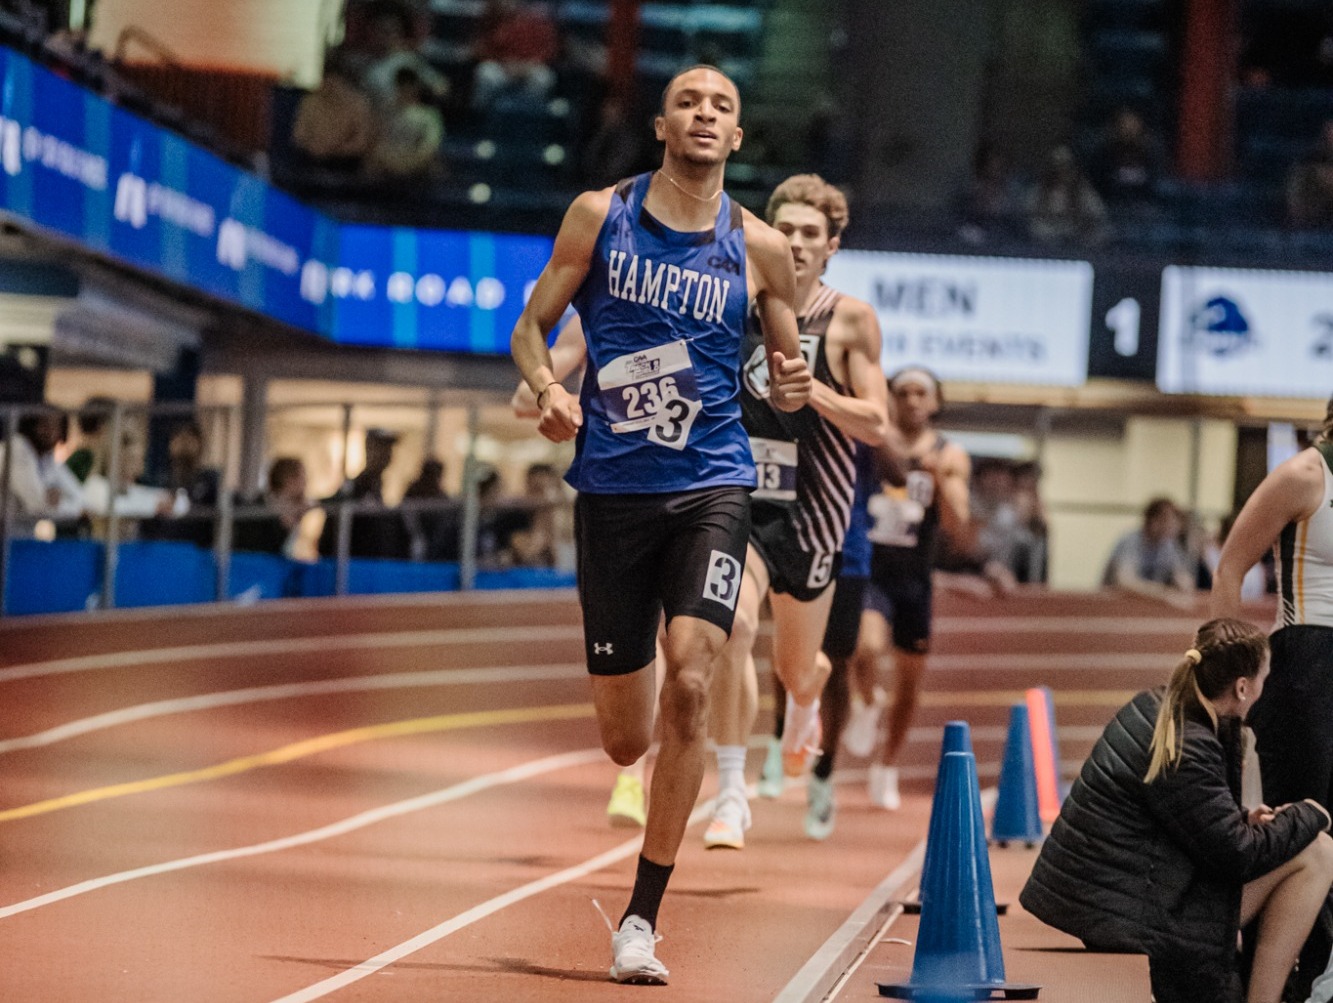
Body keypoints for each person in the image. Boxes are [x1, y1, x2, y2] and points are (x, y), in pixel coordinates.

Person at [509, 64, 812, 985]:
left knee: (690, 678)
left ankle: (640, 918)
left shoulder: (760, 247)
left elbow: (785, 381)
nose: (704, 114)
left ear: (738, 135)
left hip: (711, 485)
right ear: (661, 124)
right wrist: (549, 388)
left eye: (722, 105)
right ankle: (639, 742)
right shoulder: (600, 216)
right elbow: (529, 327)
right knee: (623, 738)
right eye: (689, 102)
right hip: (612, 492)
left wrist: (792, 384)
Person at [702, 172, 889, 851]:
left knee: (796, 668)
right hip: (741, 500)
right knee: (730, 627)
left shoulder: (850, 319)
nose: (798, 242)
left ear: (832, 246)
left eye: (812, 233)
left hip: (814, 517)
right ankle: (731, 791)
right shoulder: (735, 308)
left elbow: (877, 423)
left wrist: (818, 395)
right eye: (785, 230)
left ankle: (808, 695)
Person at [1020, 618, 1333, 1003]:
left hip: (1115, 901)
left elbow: (1187, 820)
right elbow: (1238, 854)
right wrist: (1311, 812)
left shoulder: (1162, 710)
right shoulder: (1188, 742)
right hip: (1131, 916)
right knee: (1318, 853)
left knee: (1306, 848)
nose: (1265, 689)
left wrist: (1244, 819)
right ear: (1242, 687)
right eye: (1264, 679)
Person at [850, 367, 970, 811]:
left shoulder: (949, 454)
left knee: (909, 682)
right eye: (904, 392)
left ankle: (887, 765)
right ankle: (867, 700)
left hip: (915, 580)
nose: (913, 400)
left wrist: (941, 484)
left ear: (935, 402)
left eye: (922, 393)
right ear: (891, 397)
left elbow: (958, 528)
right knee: (865, 647)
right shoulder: (874, 440)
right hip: (872, 571)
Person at [318, 427, 407, 559]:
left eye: (389, 450)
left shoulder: (376, 488)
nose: (388, 455)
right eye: (382, 449)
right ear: (369, 449)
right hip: (355, 562)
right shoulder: (354, 488)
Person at [291, 48, 376, 175]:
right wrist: (314, 148)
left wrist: (335, 151)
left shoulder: (358, 103)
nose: (329, 86)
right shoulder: (310, 102)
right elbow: (299, 135)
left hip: (344, 164)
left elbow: (361, 142)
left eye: (333, 81)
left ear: (341, 80)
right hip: (311, 161)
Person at [1102, 496, 1196, 607]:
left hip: (1144, 605)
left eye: (1174, 520)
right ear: (1152, 521)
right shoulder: (1131, 541)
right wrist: (1163, 593)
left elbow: (1183, 579)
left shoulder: (1167, 545)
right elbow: (1125, 582)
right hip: (1114, 605)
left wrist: (1182, 585)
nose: (1172, 525)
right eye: (1166, 520)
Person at [364, 66, 444, 182]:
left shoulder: (429, 116)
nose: (406, 89)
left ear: (417, 87)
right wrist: (390, 160)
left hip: (416, 168)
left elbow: (429, 148)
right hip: (385, 166)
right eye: (402, 84)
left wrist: (407, 162)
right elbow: (375, 142)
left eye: (410, 85)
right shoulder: (384, 111)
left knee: (435, 165)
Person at [234, 457, 311, 557]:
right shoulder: (261, 506)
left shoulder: (297, 507)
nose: (305, 482)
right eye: (302, 477)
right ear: (289, 480)